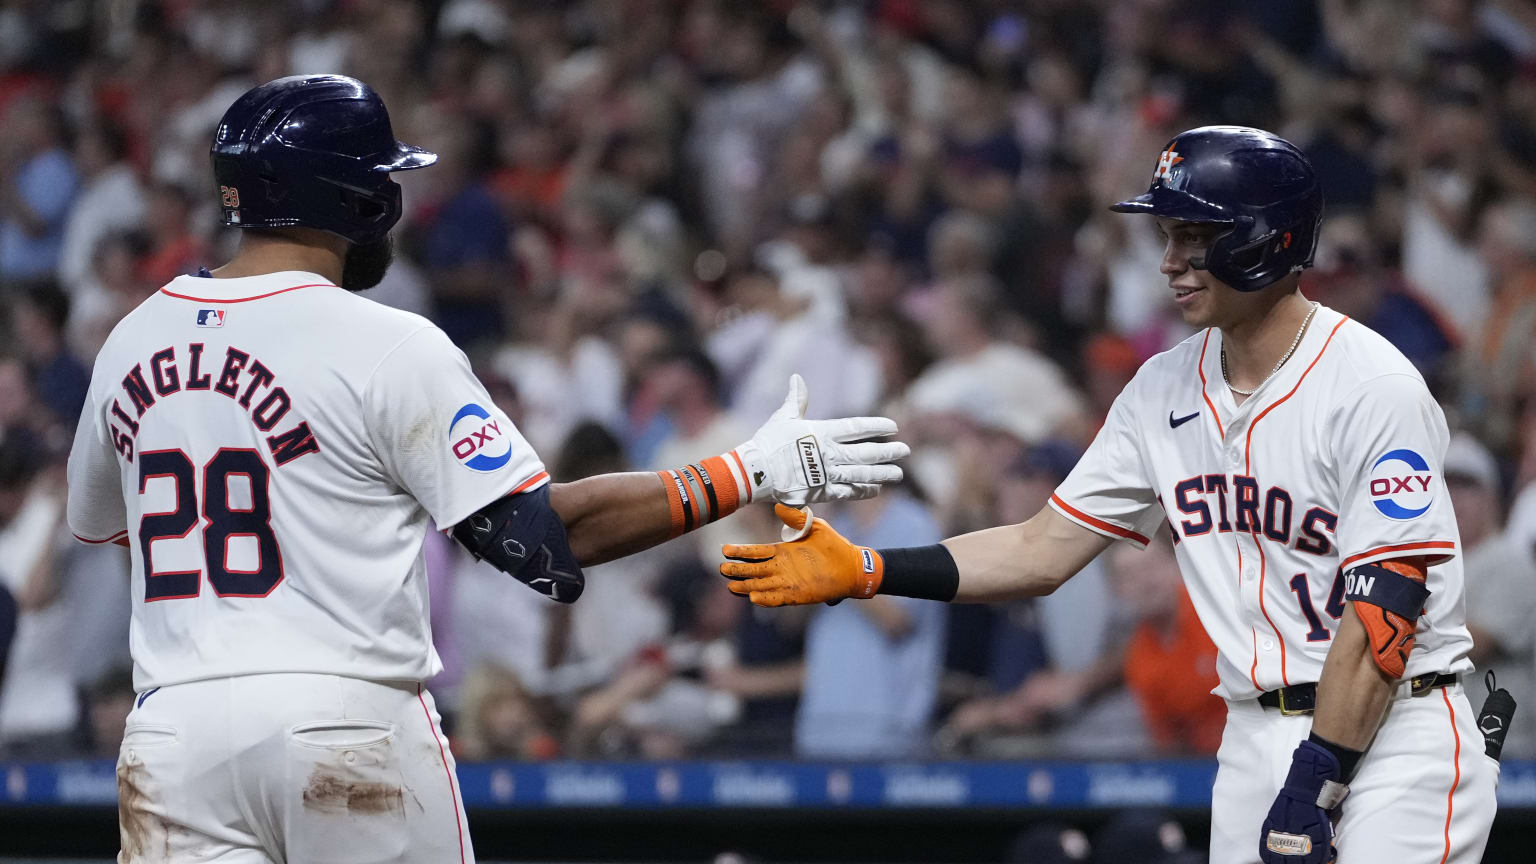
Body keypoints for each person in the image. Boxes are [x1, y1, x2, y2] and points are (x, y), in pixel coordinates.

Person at [66, 75, 908, 864]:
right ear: (358, 198)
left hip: (172, 736)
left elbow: (113, 529)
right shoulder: (384, 341)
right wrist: (745, 472)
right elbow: (544, 541)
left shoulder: (132, 338)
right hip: (343, 724)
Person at [721, 127, 1498, 863]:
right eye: (1168, 237)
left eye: (1197, 236)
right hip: (1254, 733)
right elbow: (1039, 548)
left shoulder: (1371, 385)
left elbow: (1386, 607)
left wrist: (1319, 775)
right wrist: (868, 569)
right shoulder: (1161, 387)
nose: (1171, 260)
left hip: (1392, 731)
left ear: (1272, 240)